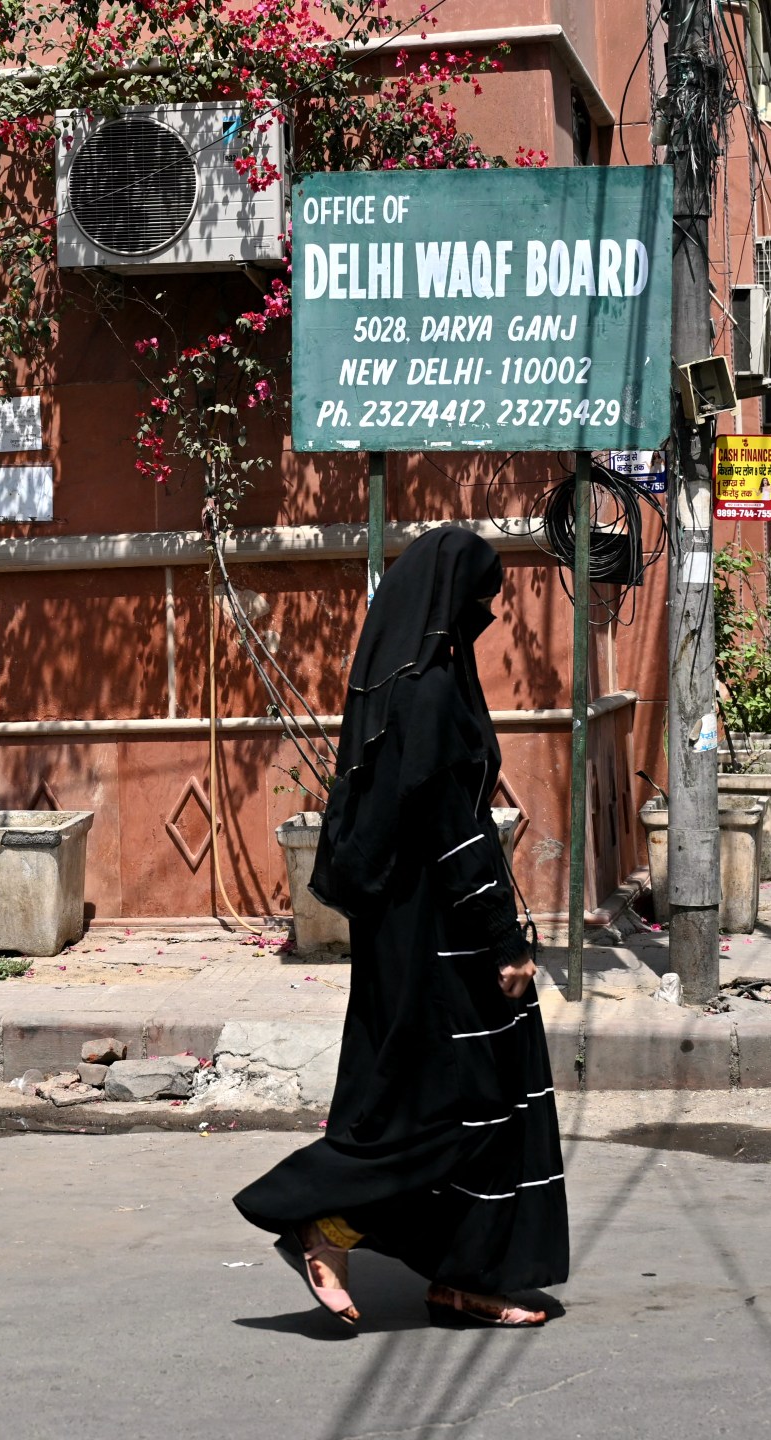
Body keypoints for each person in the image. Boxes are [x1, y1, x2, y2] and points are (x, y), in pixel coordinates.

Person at [234, 527, 567, 1329]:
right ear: (448, 600)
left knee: (433, 1092)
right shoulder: (427, 694)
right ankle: (322, 1217)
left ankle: (461, 1278)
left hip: (407, 931)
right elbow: (457, 830)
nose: (486, 610)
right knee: (471, 1099)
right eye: (481, 596)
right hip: (443, 935)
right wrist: (504, 941)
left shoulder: (401, 681)